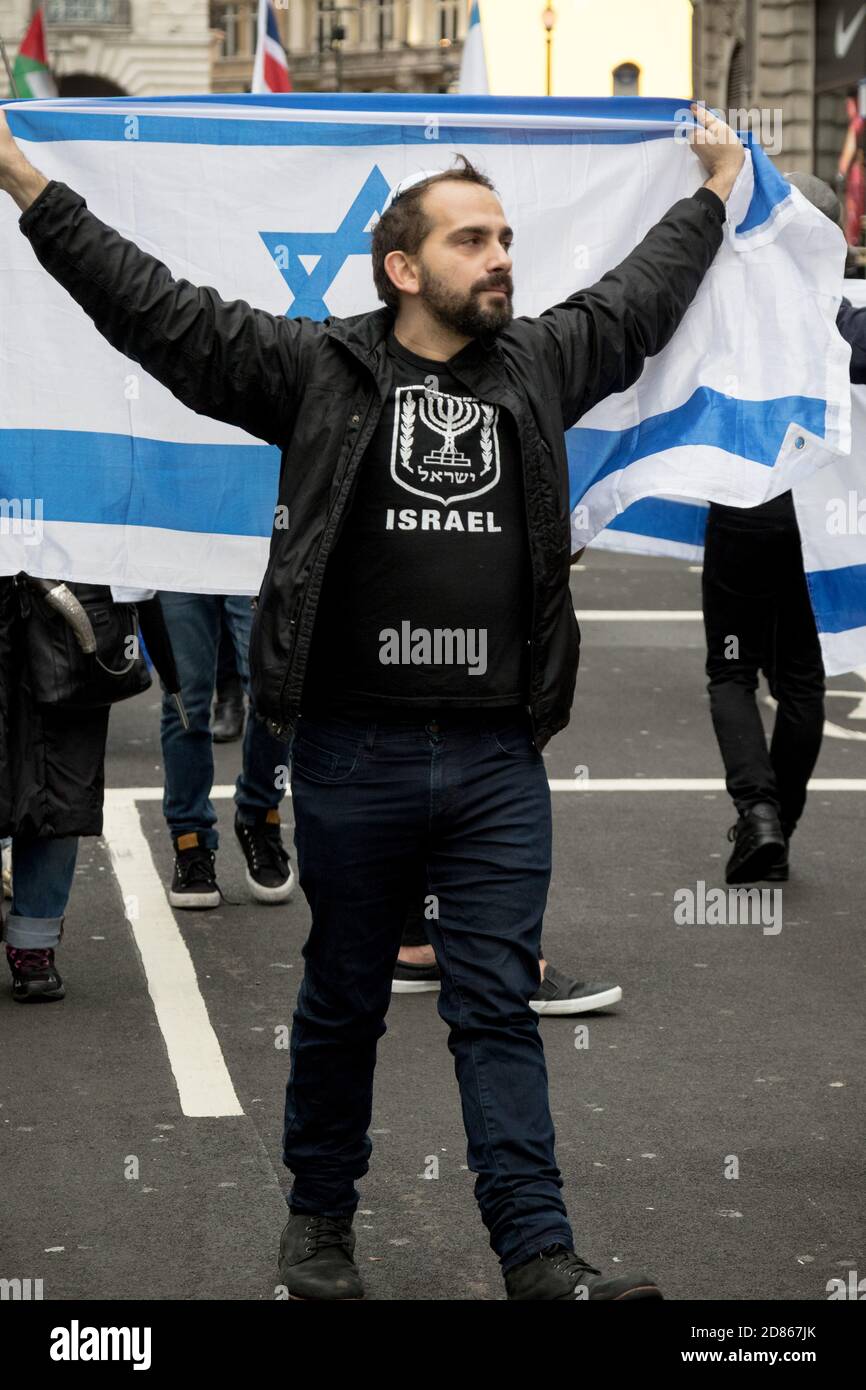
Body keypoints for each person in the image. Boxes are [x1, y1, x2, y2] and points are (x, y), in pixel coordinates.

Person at [0, 103, 743, 1299]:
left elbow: (640, 297)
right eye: (470, 239)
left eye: (505, 235)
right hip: (354, 753)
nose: (501, 255)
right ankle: (318, 1234)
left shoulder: (542, 362)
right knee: (342, 1004)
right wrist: (19, 175)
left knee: (495, 1007)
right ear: (402, 267)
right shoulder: (314, 371)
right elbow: (152, 306)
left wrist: (713, 188)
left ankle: (540, 1256)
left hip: (499, 758)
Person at [703, 171, 866, 885]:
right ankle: (781, 825)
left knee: (732, 670)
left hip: (746, 504)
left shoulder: (735, 306)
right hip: (819, 520)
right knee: (803, 679)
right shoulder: (849, 316)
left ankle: (757, 812)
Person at [157, 590, 295, 908]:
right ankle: (190, 839)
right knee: (184, 702)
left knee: (273, 691)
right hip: (181, 556)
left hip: (252, 556)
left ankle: (259, 815)